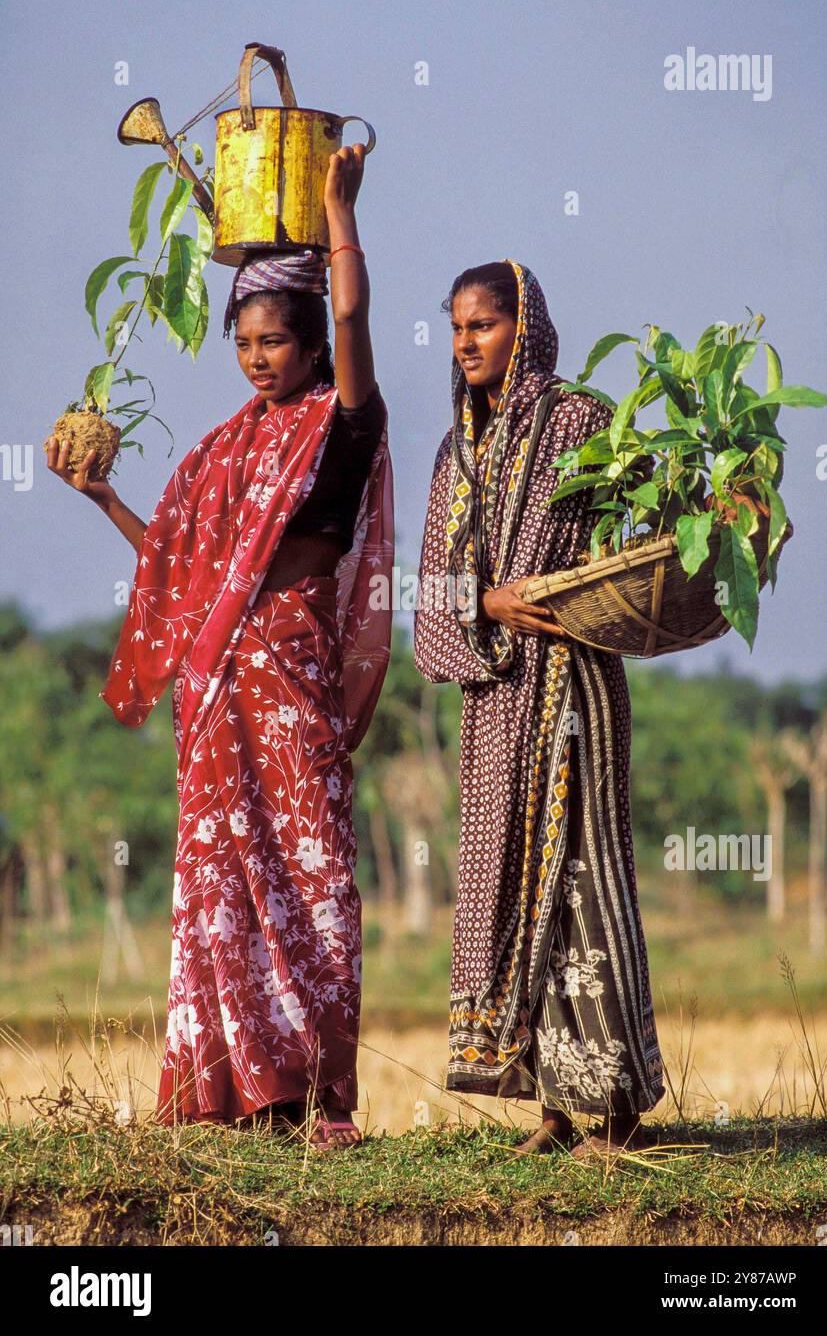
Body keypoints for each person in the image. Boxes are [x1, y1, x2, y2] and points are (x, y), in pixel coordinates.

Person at [45, 145, 394, 1151]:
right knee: (223, 886)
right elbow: (184, 576)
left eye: (276, 340)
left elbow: (360, 318)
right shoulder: (225, 447)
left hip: (294, 689)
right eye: (243, 341)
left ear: (313, 341)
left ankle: (323, 1097)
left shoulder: (344, 425)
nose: (256, 358)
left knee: (317, 878)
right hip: (217, 695)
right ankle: (248, 1094)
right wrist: (104, 496)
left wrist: (337, 213)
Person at [412, 259, 664, 1158]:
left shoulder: (583, 421)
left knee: (583, 881)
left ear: (527, 326)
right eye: (455, 328)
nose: (465, 343)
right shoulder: (456, 450)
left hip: (573, 690)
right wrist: (486, 602)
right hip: (495, 702)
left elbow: (639, 530)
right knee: (515, 895)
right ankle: (554, 1113)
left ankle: (621, 1110)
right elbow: (434, 594)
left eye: (482, 325)